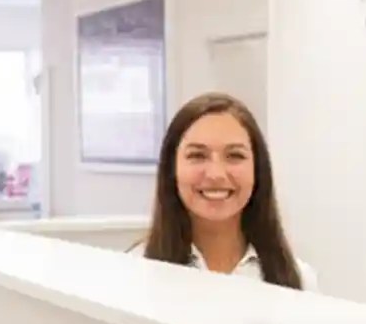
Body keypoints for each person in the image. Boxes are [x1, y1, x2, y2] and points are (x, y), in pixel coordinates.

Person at [131, 92, 319, 292]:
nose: (216, 174)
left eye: (234, 155)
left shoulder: (300, 281)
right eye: (197, 155)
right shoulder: (134, 274)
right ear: (172, 169)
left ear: (258, 169)